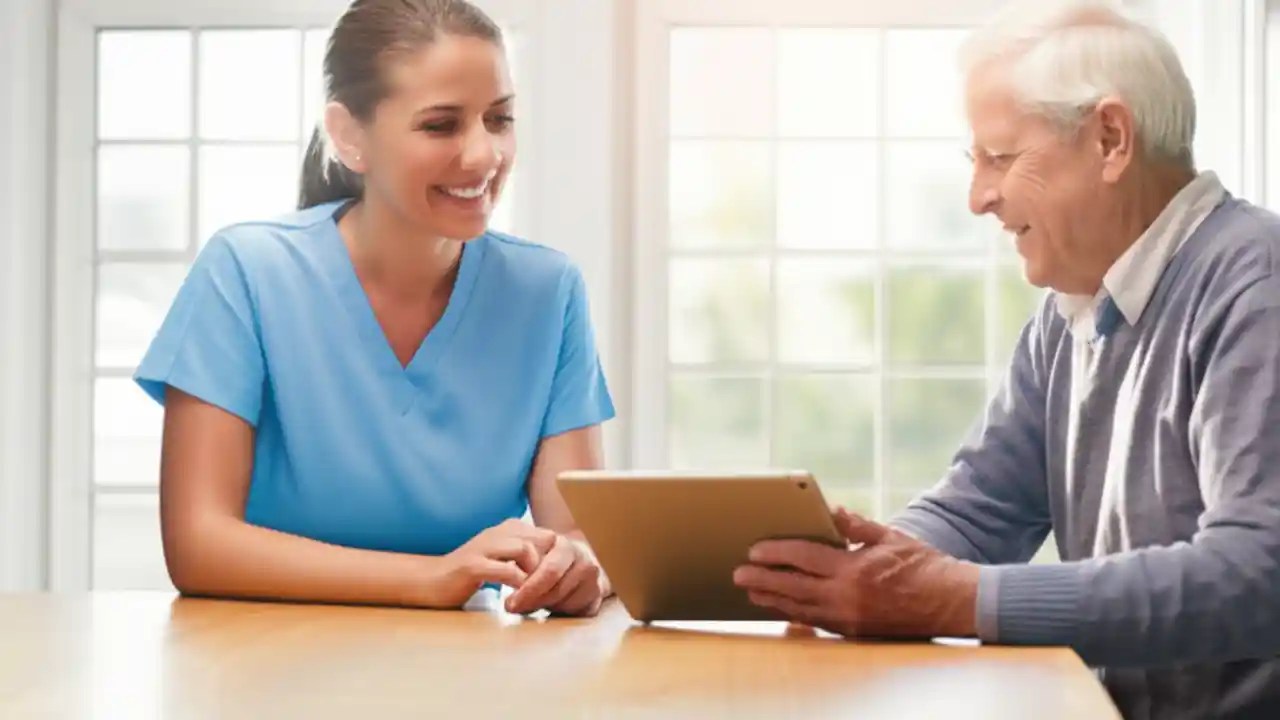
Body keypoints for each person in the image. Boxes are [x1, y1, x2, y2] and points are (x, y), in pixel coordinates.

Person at [733, 1, 1280, 717]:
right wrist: (861, 570)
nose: (978, 197)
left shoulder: (1257, 283)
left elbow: (1258, 575)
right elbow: (983, 506)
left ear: (1110, 139)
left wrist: (956, 598)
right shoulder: (1070, 314)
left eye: (1000, 157)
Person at [134, 0, 615, 617]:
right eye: (441, 125)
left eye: (499, 119)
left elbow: (579, 537)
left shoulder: (547, 291)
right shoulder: (248, 271)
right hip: (258, 666)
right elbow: (198, 545)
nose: (484, 155)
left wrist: (579, 569)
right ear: (348, 135)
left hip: (468, 678)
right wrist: (431, 578)